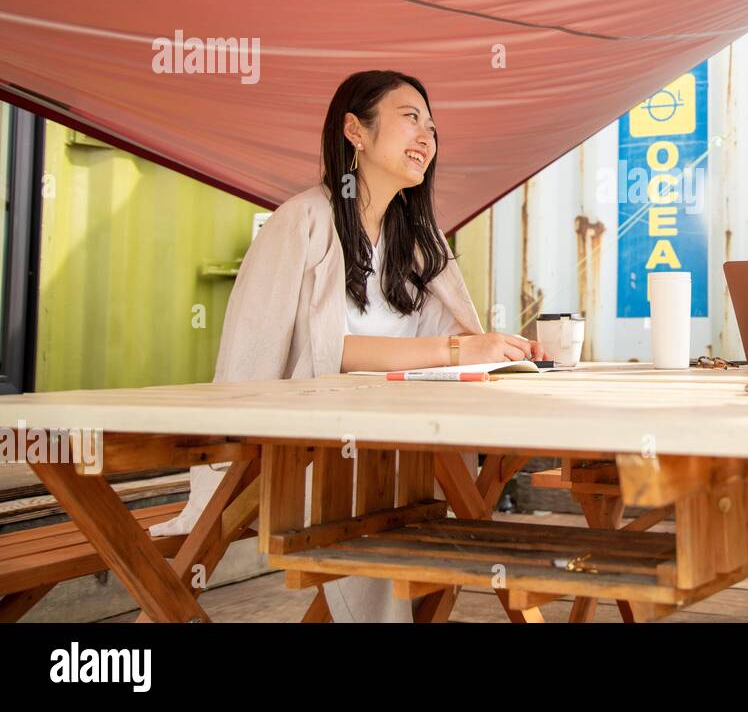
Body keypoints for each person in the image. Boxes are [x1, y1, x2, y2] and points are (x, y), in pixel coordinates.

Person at [153, 69, 543, 621]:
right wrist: (456, 352)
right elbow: (319, 352)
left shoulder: (418, 241)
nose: (427, 137)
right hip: (302, 454)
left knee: (444, 513)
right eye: (411, 118)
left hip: (401, 449)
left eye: (432, 126)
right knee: (396, 514)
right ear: (355, 131)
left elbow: (449, 334)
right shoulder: (302, 223)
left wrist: (496, 353)